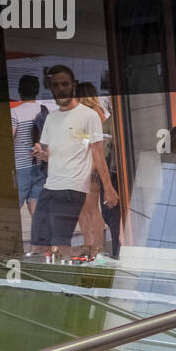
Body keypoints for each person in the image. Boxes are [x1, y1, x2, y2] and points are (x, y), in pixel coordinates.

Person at [31, 65, 118, 258]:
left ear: (74, 86)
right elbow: (48, 152)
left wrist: (109, 187)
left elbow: (98, 151)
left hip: (74, 183)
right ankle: (89, 250)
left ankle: (94, 250)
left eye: (65, 84)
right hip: (52, 185)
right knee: (39, 244)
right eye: (56, 85)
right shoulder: (52, 118)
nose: (60, 89)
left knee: (81, 220)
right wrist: (40, 152)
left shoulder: (90, 115)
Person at [75, 81, 110, 258]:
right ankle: (91, 244)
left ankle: (96, 246)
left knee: (90, 207)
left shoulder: (91, 113)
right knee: (86, 207)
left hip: (90, 165)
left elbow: (96, 141)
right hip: (87, 164)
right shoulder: (98, 111)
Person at [10, 75, 48, 219]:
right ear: (37, 91)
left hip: (21, 168)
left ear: (19, 91)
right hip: (41, 166)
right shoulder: (45, 111)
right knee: (36, 209)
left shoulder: (15, 113)